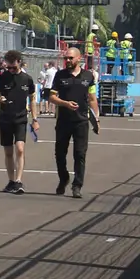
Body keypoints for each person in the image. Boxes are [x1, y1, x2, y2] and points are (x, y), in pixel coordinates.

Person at [48, 46, 100, 198]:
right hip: (63, 121)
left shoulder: (88, 76)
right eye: (66, 58)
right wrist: (65, 103)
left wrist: (96, 119)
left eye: (70, 58)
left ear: (79, 58)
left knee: (80, 154)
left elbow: (92, 99)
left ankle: (77, 185)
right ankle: (63, 179)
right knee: (60, 154)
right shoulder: (60, 75)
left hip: (81, 122)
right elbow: (51, 97)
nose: (68, 61)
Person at [0, 49, 40, 195]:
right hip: (6, 118)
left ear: (20, 62)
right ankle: (11, 181)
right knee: (8, 152)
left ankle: (19, 181)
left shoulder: (27, 79)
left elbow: (32, 99)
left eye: (13, 67)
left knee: (20, 148)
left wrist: (35, 119)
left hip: (21, 118)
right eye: (8, 67)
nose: (11, 70)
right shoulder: (2, 78)